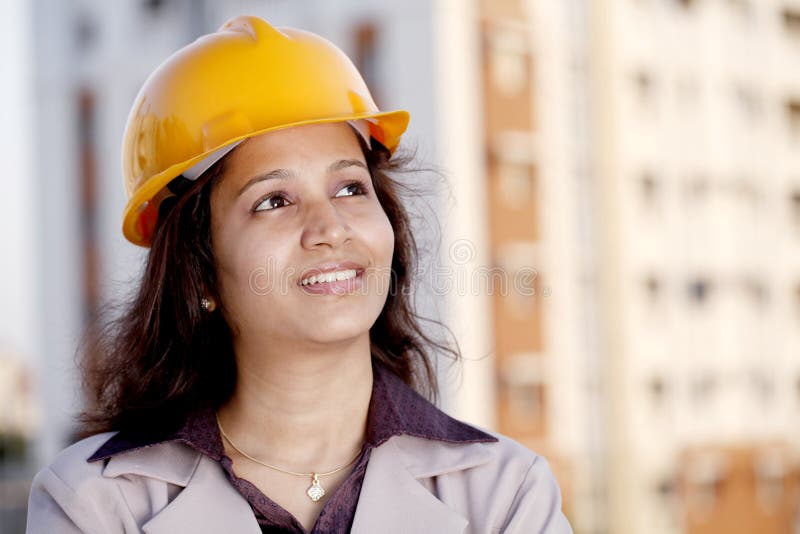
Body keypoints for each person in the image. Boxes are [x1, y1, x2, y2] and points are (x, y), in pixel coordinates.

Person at [25, 15, 573, 534]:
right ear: (201, 271)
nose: (329, 228)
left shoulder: (506, 494)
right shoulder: (92, 504)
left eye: (350, 188)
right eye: (274, 200)